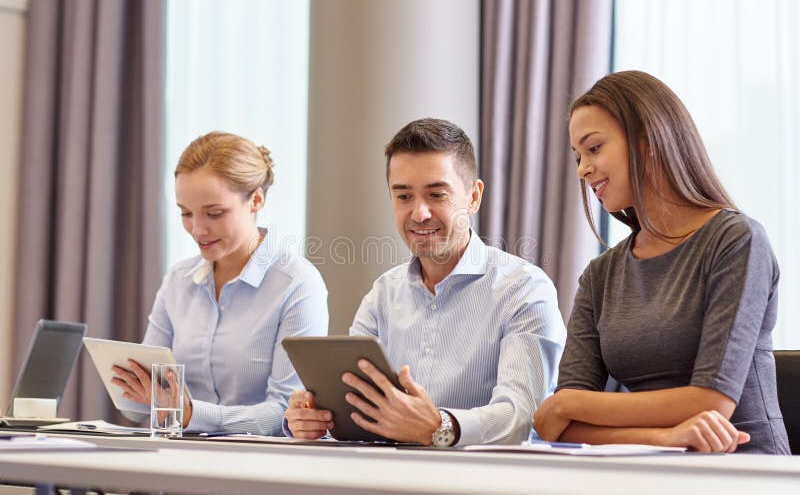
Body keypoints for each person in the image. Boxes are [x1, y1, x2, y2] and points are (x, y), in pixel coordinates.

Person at [533, 70, 790, 454]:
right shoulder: (600, 275)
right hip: (647, 466)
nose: (582, 169)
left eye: (594, 148)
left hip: (741, 466)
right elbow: (560, 429)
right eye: (578, 155)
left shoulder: (736, 241)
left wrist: (569, 402)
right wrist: (666, 438)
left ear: (647, 141)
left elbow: (712, 402)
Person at [285, 118, 566, 446]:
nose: (419, 213)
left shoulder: (524, 289)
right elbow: (353, 406)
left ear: (473, 196)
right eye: (403, 197)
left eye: (436, 195)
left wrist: (439, 426)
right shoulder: (383, 294)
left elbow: (521, 417)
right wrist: (314, 417)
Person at [111, 131, 328, 435]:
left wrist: (188, 414)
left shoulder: (297, 285)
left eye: (214, 213)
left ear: (255, 200)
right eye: (185, 213)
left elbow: (285, 415)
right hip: (176, 463)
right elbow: (137, 406)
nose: (198, 229)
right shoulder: (178, 281)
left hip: (257, 469)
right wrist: (134, 389)